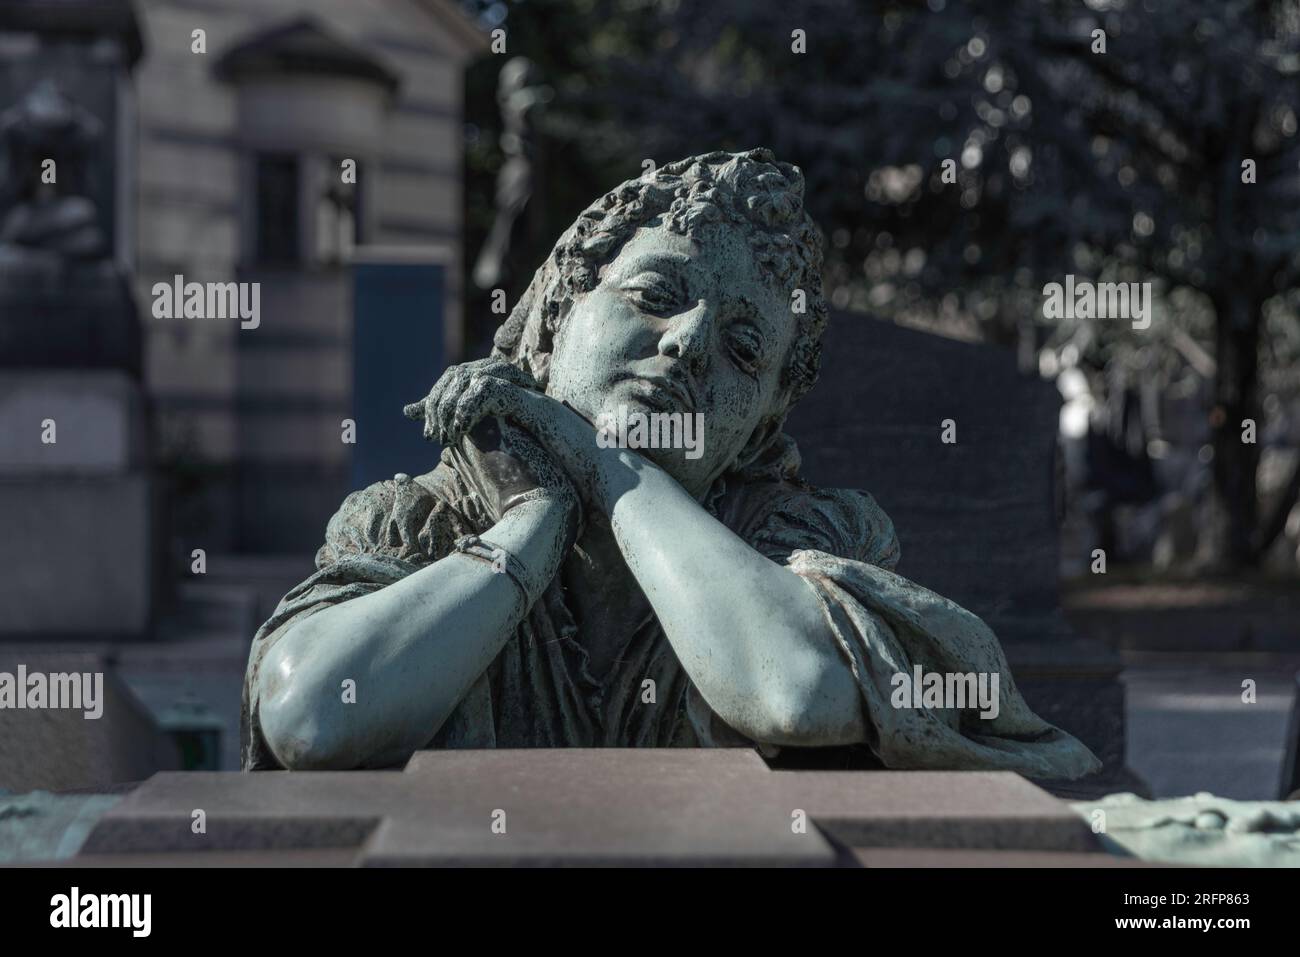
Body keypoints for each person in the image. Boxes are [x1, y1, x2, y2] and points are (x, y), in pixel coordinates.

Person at [241, 148, 1100, 781]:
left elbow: (796, 691)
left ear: (760, 424)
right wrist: (531, 525)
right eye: (655, 296)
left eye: (742, 347)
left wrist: (607, 469)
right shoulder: (420, 525)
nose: (688, 343)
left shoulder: (791, 540)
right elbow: (311, 716)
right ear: (554, 317)